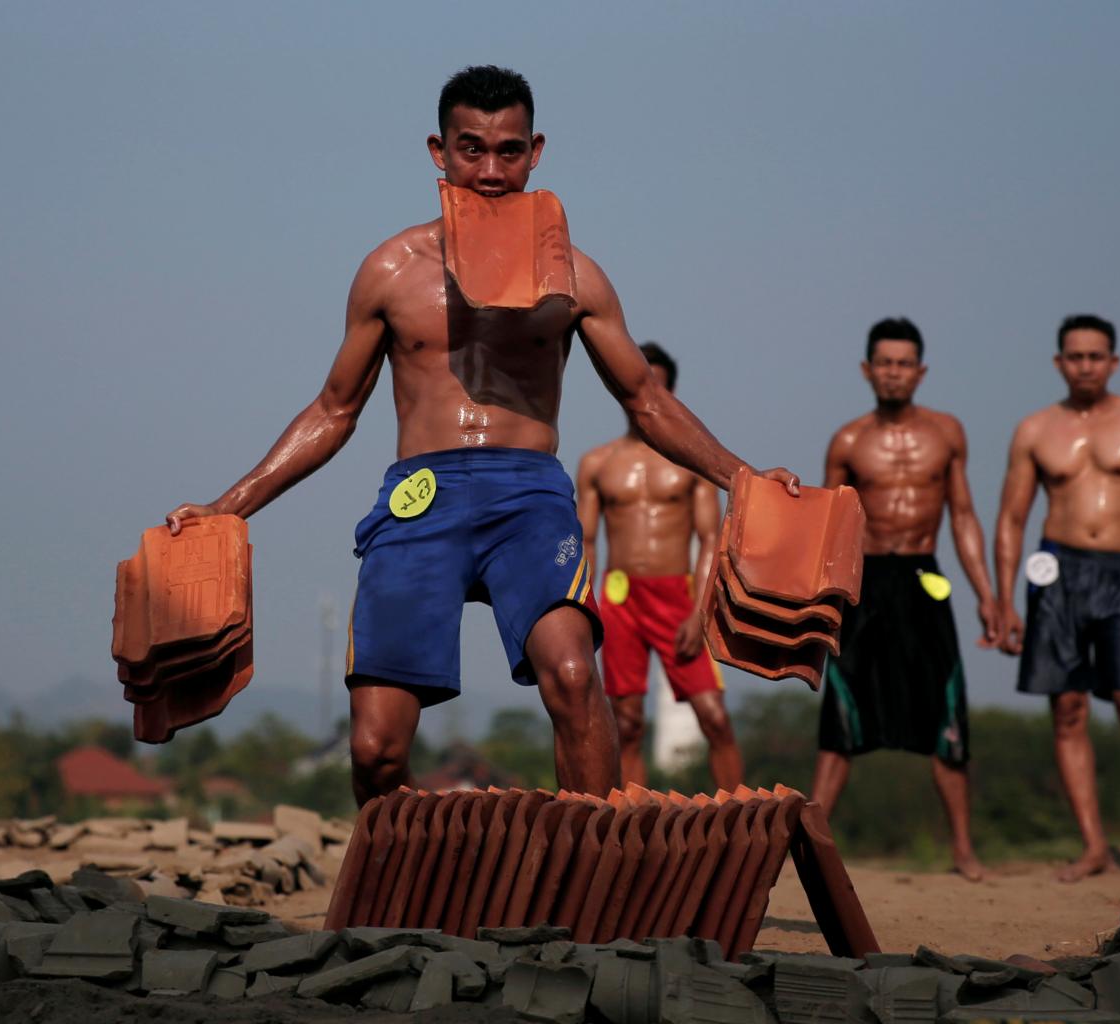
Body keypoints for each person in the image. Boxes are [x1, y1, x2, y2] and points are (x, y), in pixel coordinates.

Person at [163, 66, 797, 805]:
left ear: (536, 152)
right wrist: (228, 505)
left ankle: (590, 883)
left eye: (509, 150)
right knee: (373, 747)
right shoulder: (391, 271)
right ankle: (393, 900)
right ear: (439, 150)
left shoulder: (575, 278)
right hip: (421, 495)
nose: (491, 170)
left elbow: (646, 398)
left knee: (570, 674)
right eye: (472, 149)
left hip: (528, 494)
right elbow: (334, 410)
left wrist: (742, 476)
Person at [995, 314, 1120, 885]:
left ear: (1113, 361)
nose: (1085, 365)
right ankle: (1093, 846)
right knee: (1067, 709)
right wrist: (1005, 600)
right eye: (1075, 356)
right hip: (1056, 572)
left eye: (1095, 356)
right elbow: (1011, 519)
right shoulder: (1035, 429)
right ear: (1059, 363)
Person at [811, 318, 999, 880]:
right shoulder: (848, 440)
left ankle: (963, 849)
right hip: (864, 583)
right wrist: (820, 599)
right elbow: (832, 525)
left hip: (924, 577)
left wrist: (987, 595)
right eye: (884, 363)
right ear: (868, 370)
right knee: (841, 717)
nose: (893, 372)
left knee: (946, 708)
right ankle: (808, 842)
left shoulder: (947, 433)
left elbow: (963, 515)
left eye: (903, 363)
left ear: (920, 371)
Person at [575, 342, 743, 790]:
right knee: (626, 720)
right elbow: (585, 540)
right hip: (619, 595)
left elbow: (711, 539)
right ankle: (635, 825)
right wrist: (585, 606)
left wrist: (699, 611)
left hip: (677, 596)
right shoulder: (598, 463)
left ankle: (733, 818)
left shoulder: (689, 466)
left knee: (713, 715)